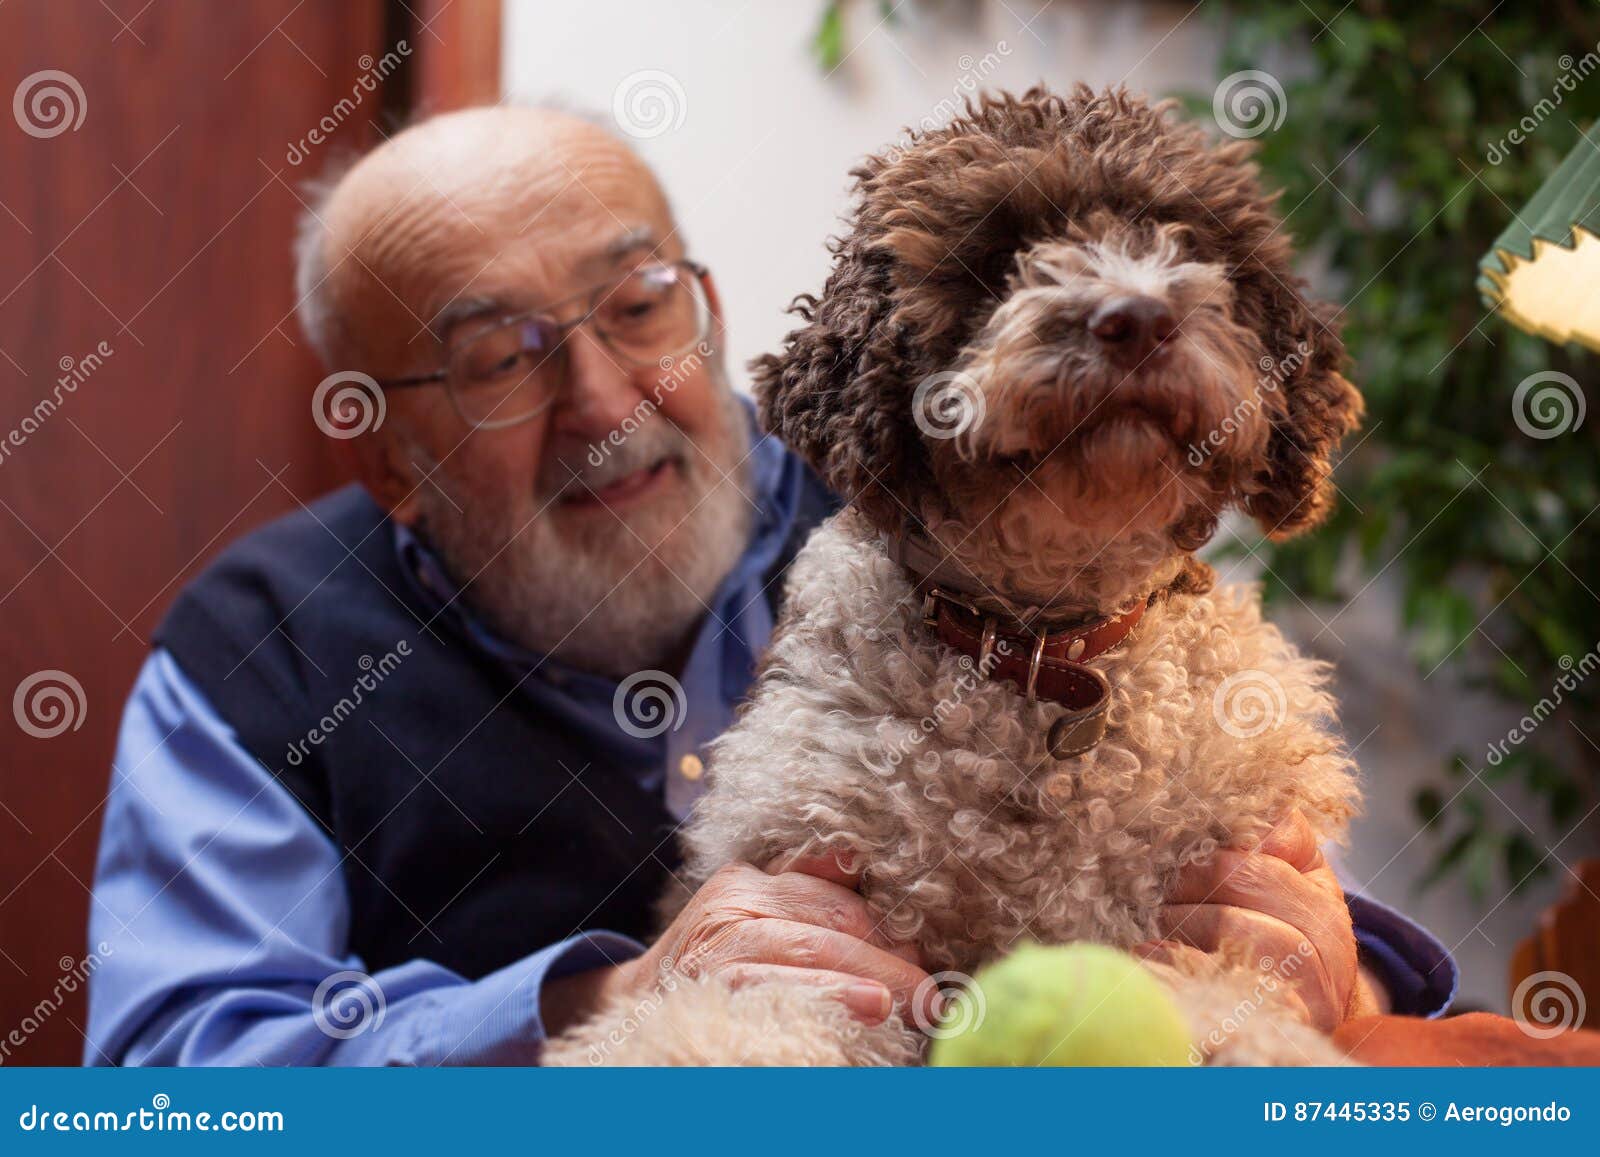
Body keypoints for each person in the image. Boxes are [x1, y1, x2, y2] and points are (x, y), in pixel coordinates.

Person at [84, 107, 1455, 1066]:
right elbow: (161, 1081)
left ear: (711, 304)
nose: (604, 401)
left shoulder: (936, 488)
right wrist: (587, 998)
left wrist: (1351, 957)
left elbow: (1238, 873)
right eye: (501, 357)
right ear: (389, 447)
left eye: (638, 306)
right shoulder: (257, 654)